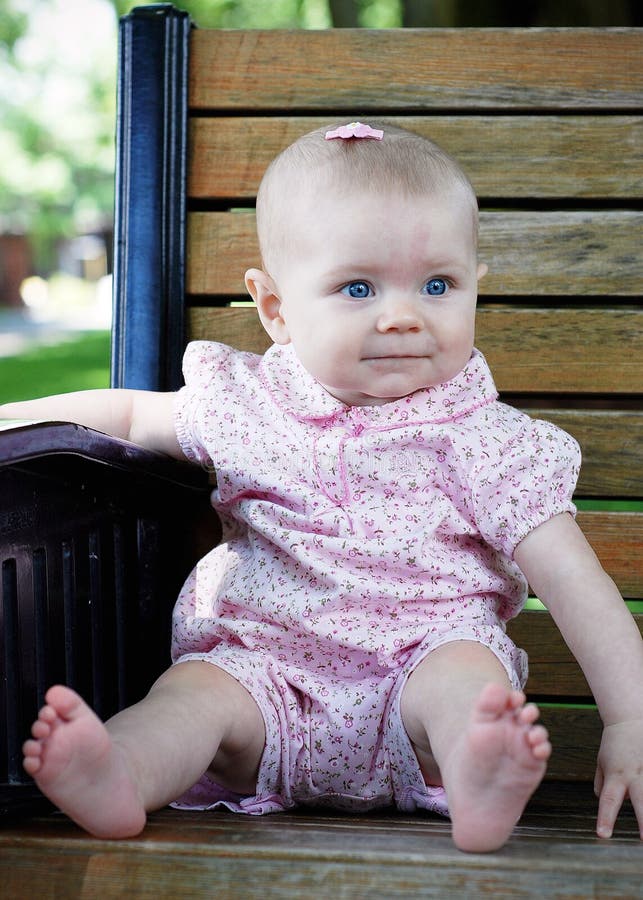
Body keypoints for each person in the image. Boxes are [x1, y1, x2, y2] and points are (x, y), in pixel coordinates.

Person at [2, 122, 642, 853]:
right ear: (274, 309)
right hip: (267, 680)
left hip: (417, 675)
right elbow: (124, 413)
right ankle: (121, 772)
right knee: (190, 699)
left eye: (438, 284)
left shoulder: (486, 442)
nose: (402, 314)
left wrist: (629, 723)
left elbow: (574, 583)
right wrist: (10, 419)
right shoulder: (243, 404)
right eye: (357, 287)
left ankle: (478, 775)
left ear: (475, 287)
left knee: (468, 680)